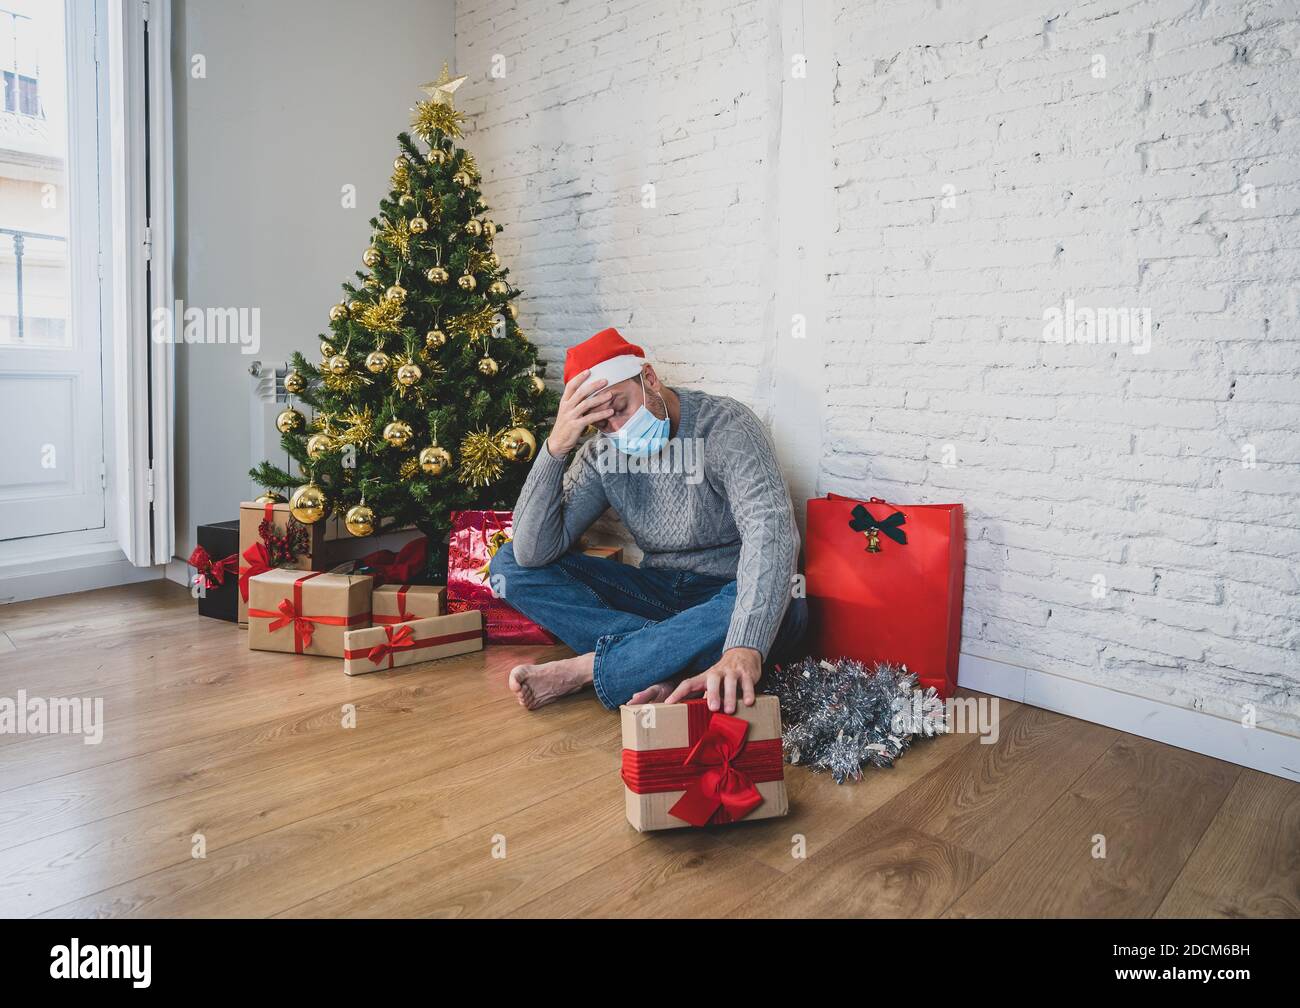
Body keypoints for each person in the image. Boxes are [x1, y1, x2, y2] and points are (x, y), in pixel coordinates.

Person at [490, 327, 807, 714]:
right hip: (657, 594)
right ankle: (659, 660)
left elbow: (770, 534)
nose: (618, 428)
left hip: (727, 593)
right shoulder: (601, 453)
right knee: (510, 565)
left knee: (789, 601)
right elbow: (532, 550)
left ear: (649, 378)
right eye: (602, 423)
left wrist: (744, 645)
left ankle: (594, 667)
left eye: (620, 407)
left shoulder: (726, 426)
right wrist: (555, 448)